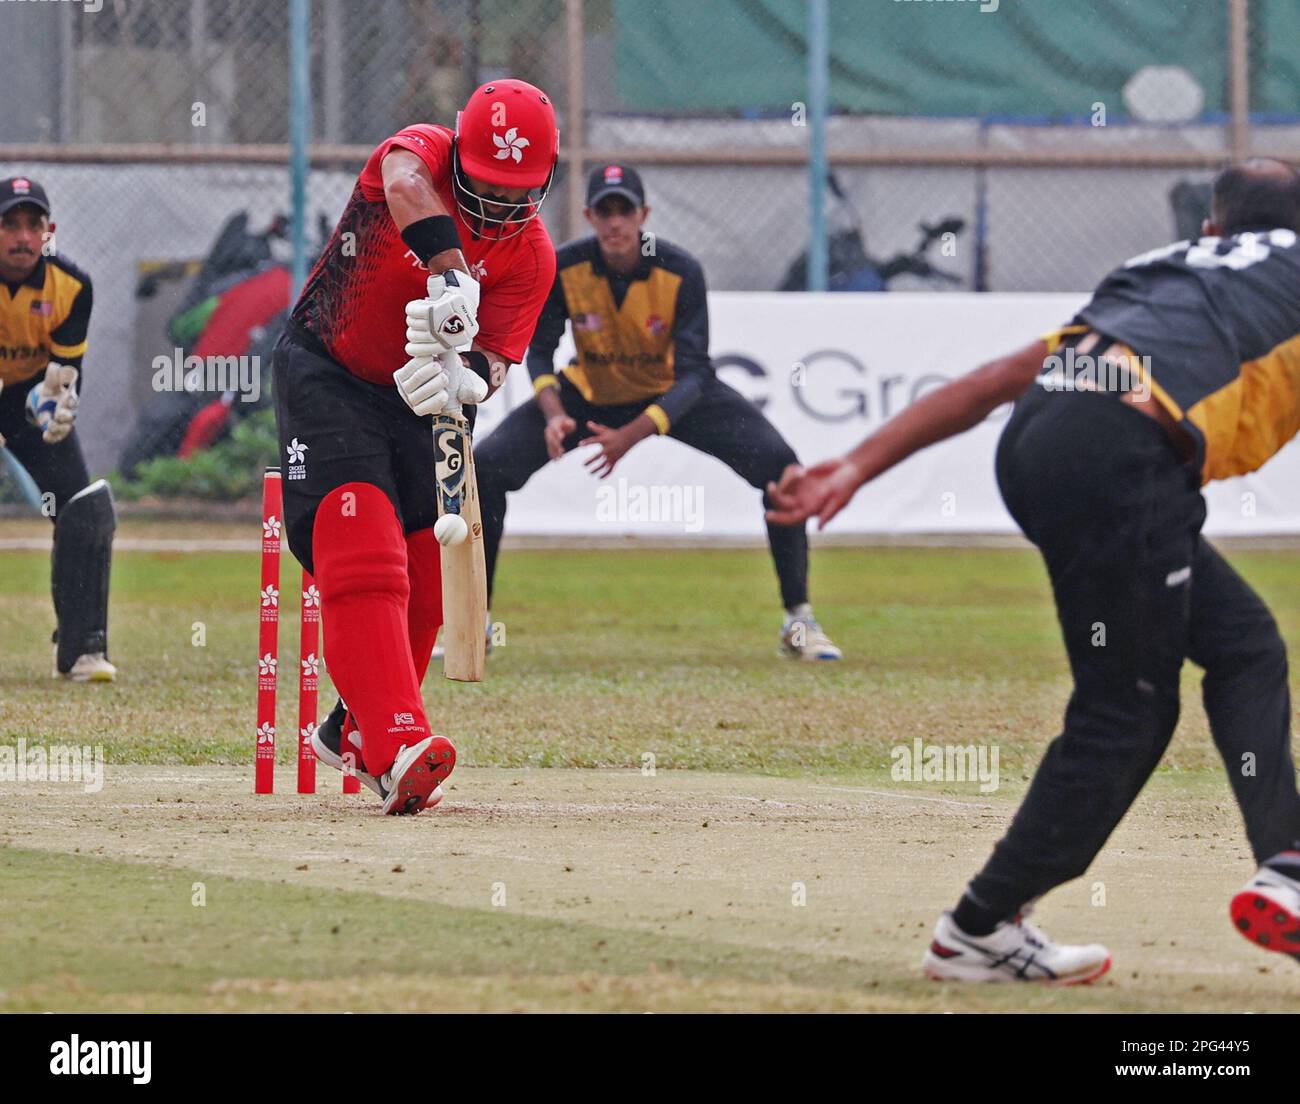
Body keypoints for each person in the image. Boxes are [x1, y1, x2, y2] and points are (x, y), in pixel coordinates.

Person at [768, 158, 1300, 981]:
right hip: (1120, 455)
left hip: (1047, 439)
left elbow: (996, 382)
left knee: (1243, 645)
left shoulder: (1165, 272)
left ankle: (1285, 865)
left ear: (1212, 231)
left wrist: (857, 465)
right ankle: (976, 929)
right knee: (1125, 712)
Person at [272, 79, 559, 814]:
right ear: (458, 153)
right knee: (364, 552)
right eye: (486, 189)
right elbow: (401, 183)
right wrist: (451, 268)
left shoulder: (531, 259)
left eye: (516, 194)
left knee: (428, 574)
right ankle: (400, 739)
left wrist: (465, 381)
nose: (498, 209)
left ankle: (350, 730)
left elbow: (498, 359)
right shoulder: (419, 153)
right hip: (328, 369)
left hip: (419, 400)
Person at [472, 164, 842, 661]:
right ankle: (475, 624)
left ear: (644, 214)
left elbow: (694, 373)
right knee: (484, 470)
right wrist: (555, 412)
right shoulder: (565, 266)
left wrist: (633, 434)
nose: (616, 222)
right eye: (605, 210)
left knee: (783, 470)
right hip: (589, 393)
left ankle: (799, 623)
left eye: (626, 209)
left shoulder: (679, 269)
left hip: (673, 398)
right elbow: (538, 351)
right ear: (588, 216)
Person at [0, 176, 116, 683]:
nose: (22, 237)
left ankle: (82, 649)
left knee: (85, 508)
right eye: (9, 224)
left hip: (27, 403)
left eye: (33, 224)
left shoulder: (72, 286)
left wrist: (58, 403)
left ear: (49, 230)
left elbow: (67, 373)